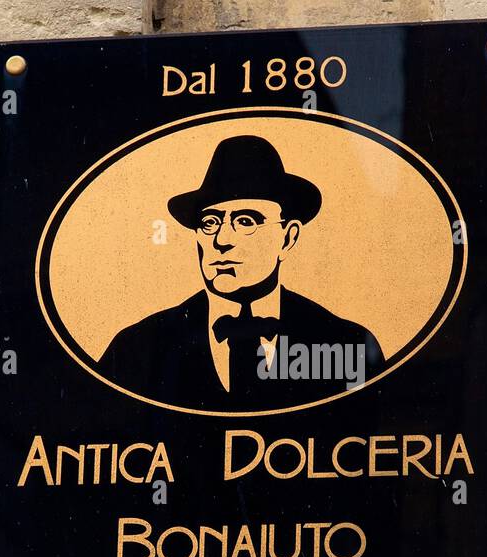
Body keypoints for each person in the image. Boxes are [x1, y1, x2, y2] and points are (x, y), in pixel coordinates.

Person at [100, 135, 383, 411]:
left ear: (288, 238)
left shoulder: (347, 344)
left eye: (246, 221)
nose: (222, 239)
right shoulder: (137, 348)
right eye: (209, 222)